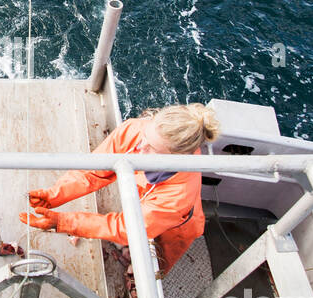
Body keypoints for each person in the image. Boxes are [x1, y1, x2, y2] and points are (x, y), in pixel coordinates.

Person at [19, 103, 220, 278]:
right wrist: (54, 195)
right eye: (144, 138)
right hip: (148, 200)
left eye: (151, 149)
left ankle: (141, 286)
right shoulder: (134, 130)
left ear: (175, 158)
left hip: (176, 227)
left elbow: (127, 228)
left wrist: (62, 222)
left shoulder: (179, 194)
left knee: (158, 262)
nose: (139, 148)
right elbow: (94, 170)